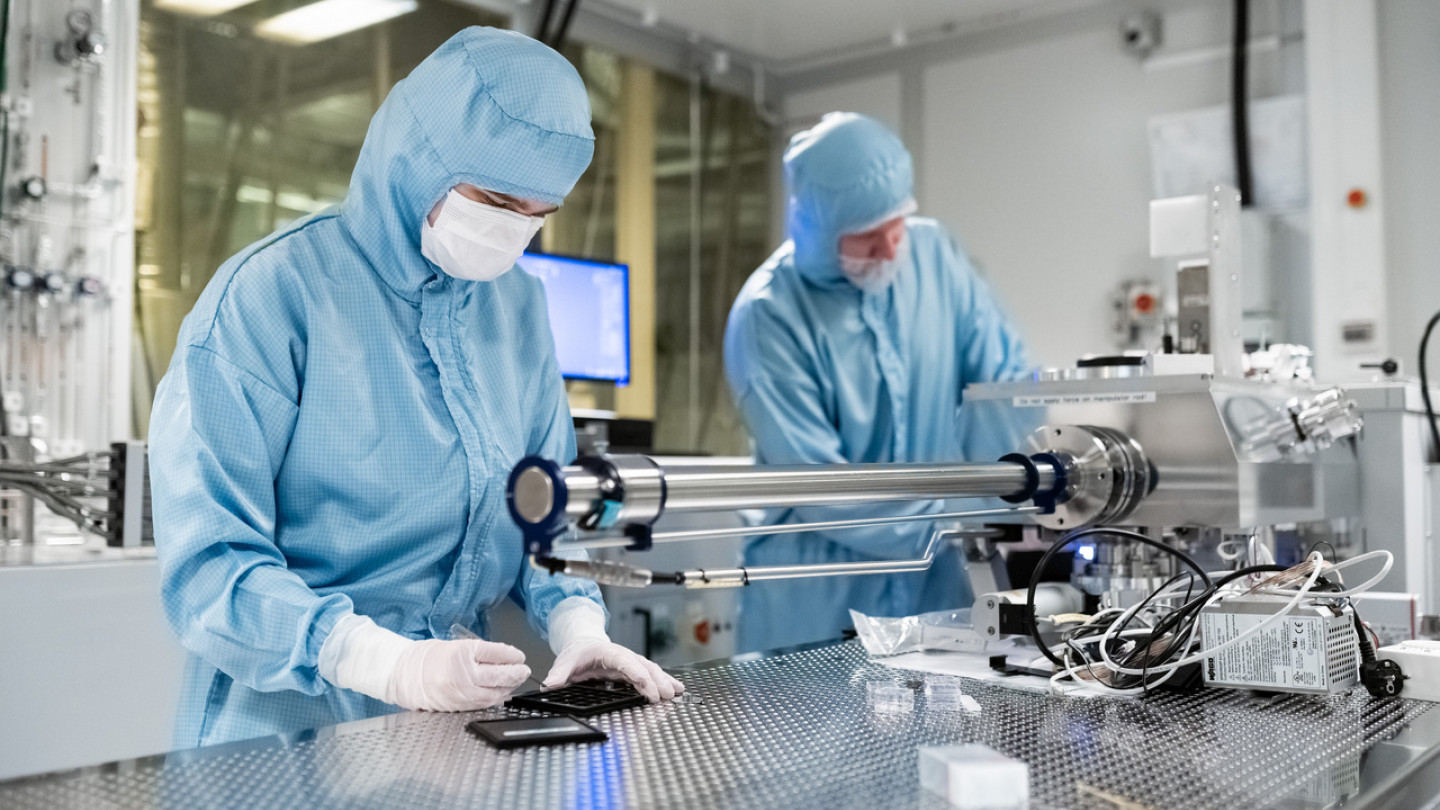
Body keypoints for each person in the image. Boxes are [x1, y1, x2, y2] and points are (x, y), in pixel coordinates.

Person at [148, 27, 680, 749]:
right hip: (279, 731)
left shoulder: (517, 309)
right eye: (494, 199)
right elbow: (210, 566)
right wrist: (380, 661)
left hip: (447, 729)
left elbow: (542, 507)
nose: (510, 233)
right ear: (416, 155)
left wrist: (576, 624)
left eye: (537, 215)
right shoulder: (271, 297)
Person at [722, 112, 1034, 653]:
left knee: (952, 730)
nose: (893, 250)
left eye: (899, 225)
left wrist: (1023, 490)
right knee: (812, 735)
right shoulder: (768, 315)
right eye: (869, 238)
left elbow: (1004, 384)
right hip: (817, 595)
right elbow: (825, 490)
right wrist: (970, 510)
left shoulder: (934, 255)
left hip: (938, 584)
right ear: (819, 232)